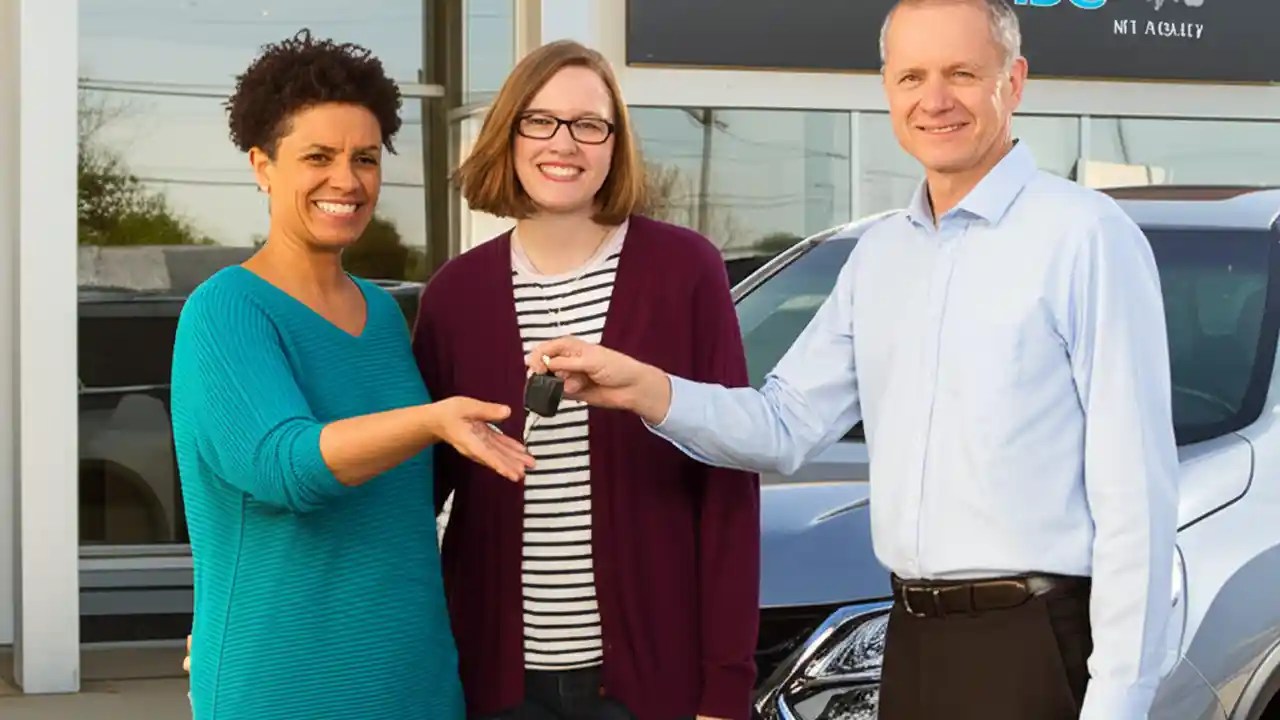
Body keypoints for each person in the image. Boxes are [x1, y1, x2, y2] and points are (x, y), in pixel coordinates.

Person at [525, 2, 1180, 719]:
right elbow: (784, 426)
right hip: (908, 640)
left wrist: (1120, 700)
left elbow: (1135, 495)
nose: (934, 99)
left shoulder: (1085, 237)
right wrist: (646, 388)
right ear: (887, 91)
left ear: (1014, 82)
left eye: (962, 73)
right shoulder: (881, 256)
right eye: (911, 77)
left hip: (1032, 644)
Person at [171, 30, 534, 720]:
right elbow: (285, 468)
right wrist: (431, 420)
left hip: (415, 680)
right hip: (285, 683)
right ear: (262, 165)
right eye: (319, 156)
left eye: (365, 159)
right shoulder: (225, 311)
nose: (348, 179)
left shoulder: (382, 313)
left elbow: (404, 496)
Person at [411, 39, 760, 720]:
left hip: (649, 682)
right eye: (539, 120)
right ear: (508, 136)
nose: (562, 143)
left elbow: (728, 486)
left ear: (614, 142)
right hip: (496, 682)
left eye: (588, 124)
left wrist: (726, 687)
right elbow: (412, 494)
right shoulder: (455, 296)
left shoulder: (685, 270)